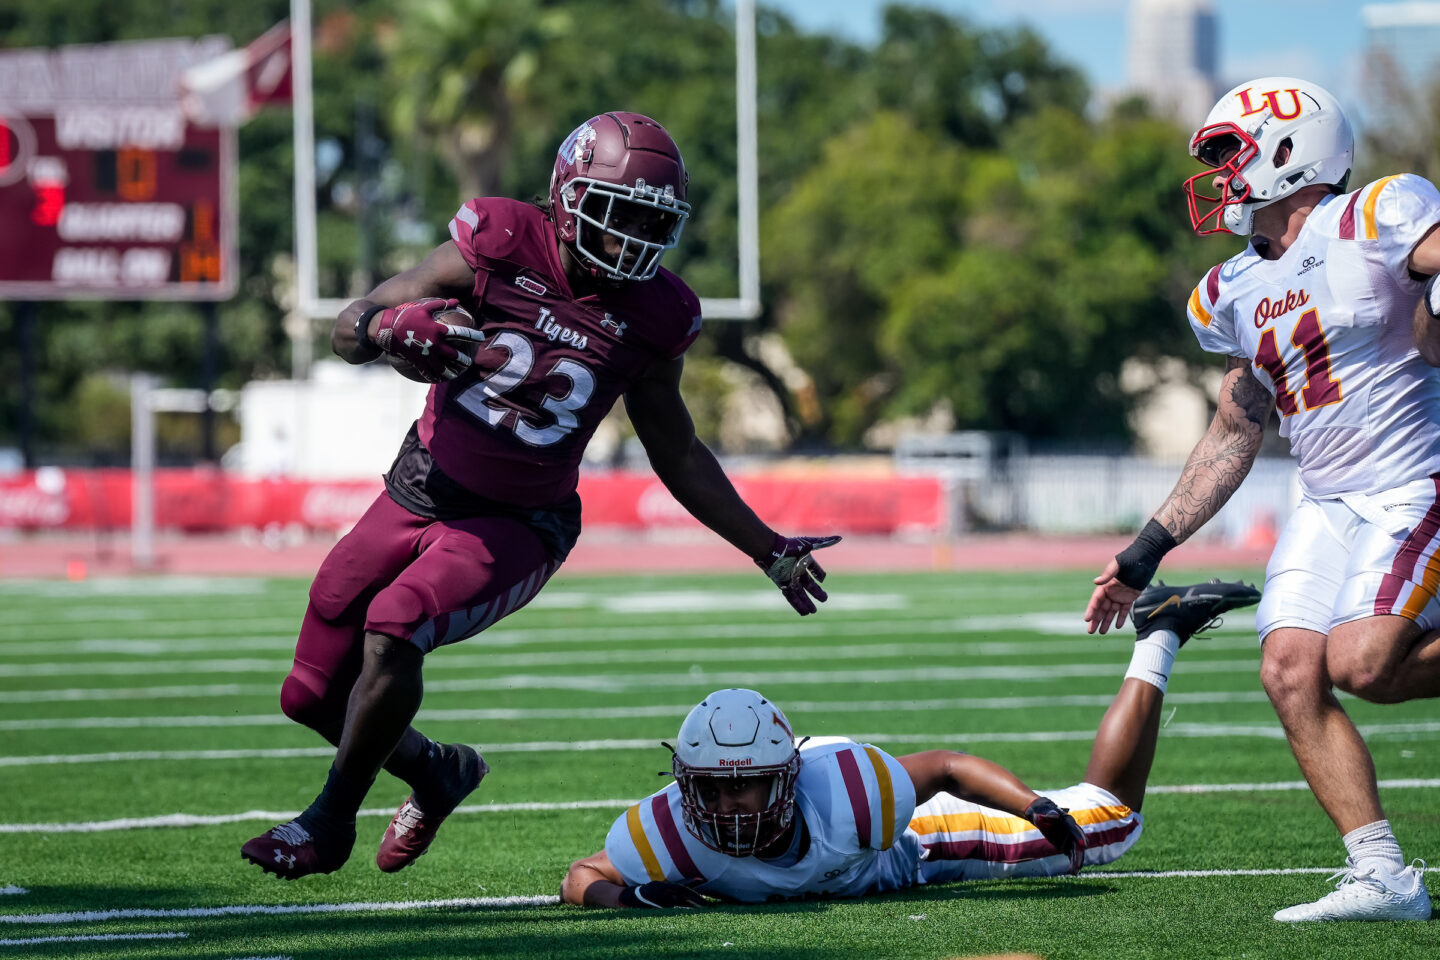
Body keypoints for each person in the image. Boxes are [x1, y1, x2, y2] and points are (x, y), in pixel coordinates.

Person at [240, 112, 841, 880]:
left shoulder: (657, 314)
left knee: (396, 624)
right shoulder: (497, 240)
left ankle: (328, 823)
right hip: (418, 488)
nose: (629, 238)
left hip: (520, 523)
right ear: (566, 193)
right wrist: (393, 329)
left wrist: (768, 548)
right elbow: (352, 326)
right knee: (310, 695)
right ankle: (437, 772)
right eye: (616, 212)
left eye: (649, 222)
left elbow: (676, 449)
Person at [1085, 77, 1440, 922]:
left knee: (1363, 665)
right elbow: (1234, 434)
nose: (1219, 175)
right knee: (1289, 669)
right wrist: (1144, 552)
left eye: (1227, 153)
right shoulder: (1232, 289)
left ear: (1293, 149)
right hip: (1325, 499)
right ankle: (1383, 875)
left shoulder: (1373, 214)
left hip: (1413, 477)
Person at [561, 579, 1260, 906]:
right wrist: (625, 904)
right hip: (877, 849)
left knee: (1108, 825)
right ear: (685, 783)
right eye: (711, 787)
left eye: (744, 783)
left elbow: (947, 766)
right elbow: (582, 877)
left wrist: (1034, 805)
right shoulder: (668, 837)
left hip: (917, 844)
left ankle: (1159, 632)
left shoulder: (851, 796)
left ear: (787, 778)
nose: (729, 802)